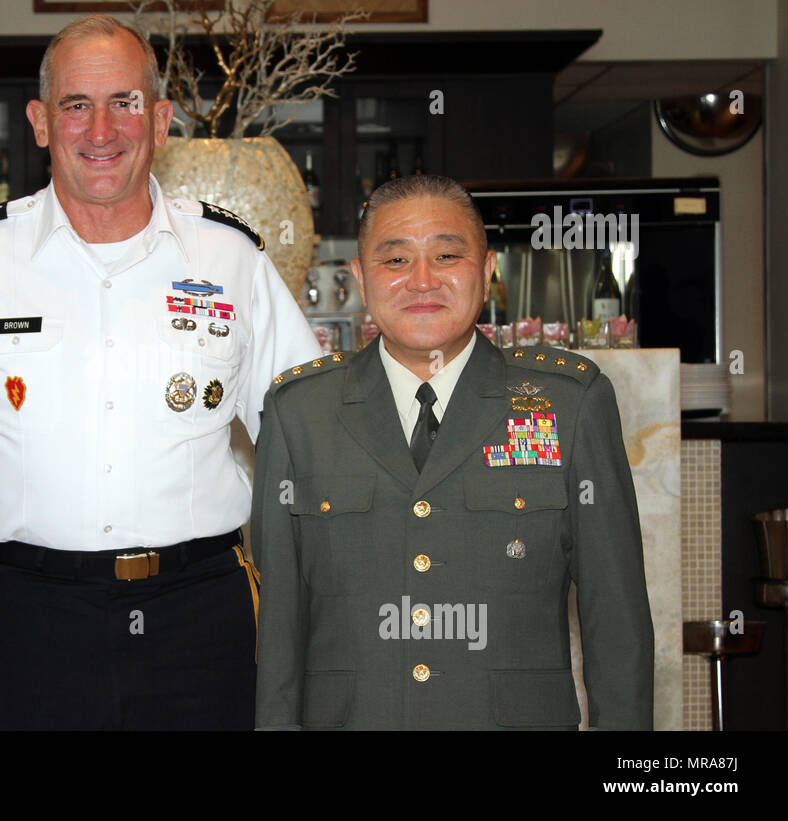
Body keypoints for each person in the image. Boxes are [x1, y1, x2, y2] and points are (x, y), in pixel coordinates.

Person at [0, 15, 321, 730]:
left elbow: (316, 429)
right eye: (76, 105)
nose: (101, 129)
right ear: (41, 123)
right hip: (32, 616)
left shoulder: (230, 259)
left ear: (162, 119)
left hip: (202, 614)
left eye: (125, 103)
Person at [252, 174, 654, 730]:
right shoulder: (300, 413)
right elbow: (279, 631)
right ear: (361, 279)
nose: (422, 281)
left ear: (487, 272)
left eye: (446, 255)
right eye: (395, 261)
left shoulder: (568, 403)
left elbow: (618, 621)